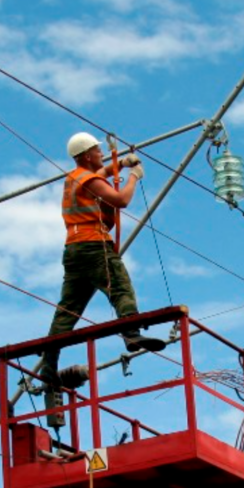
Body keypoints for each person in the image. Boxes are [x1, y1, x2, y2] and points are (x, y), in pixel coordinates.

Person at [42, 132, 165, 423]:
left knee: (68, 310)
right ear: (87, 155)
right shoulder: (88, 178)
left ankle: (49, 364)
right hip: (94, 246)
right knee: (120, 287)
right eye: (98, 151)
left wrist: (119, 164)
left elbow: (99, 173)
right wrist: (134, 175)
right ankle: (132, 335)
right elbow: (121, 200)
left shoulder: (74, 178)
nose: (100, 155)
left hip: (73, 250)